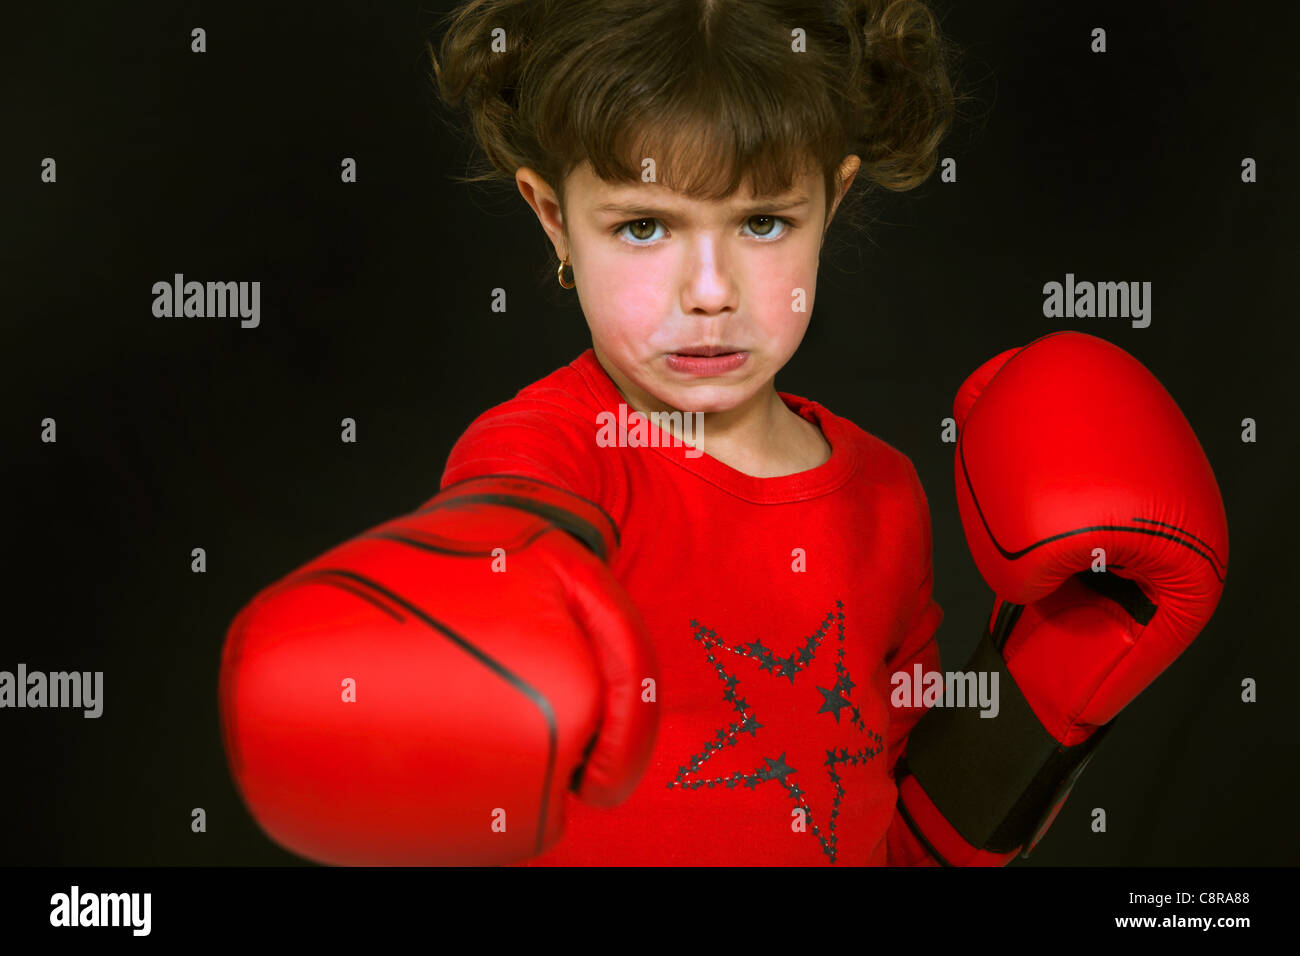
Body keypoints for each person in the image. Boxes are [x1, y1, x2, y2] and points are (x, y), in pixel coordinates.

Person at [218, 0, 1227, 866]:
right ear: (552, 219)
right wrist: (471, 589)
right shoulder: (552, 452)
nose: (709, 295)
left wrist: (1036, 693)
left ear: (831, 200)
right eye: (644, 226)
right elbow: (509, 520)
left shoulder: (883, 489)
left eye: (761, 222)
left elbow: (894, 815)